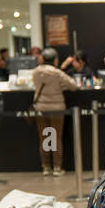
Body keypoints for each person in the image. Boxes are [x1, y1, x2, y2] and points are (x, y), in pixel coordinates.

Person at [32, 47, 78, 175]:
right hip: (57, 109)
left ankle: (46, 167)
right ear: (55, 60)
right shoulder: (57, 73)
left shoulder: (35, 72)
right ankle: (57, 167)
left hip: (41, 108)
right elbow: (73, 86)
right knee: (56, 138)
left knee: (45, 138)